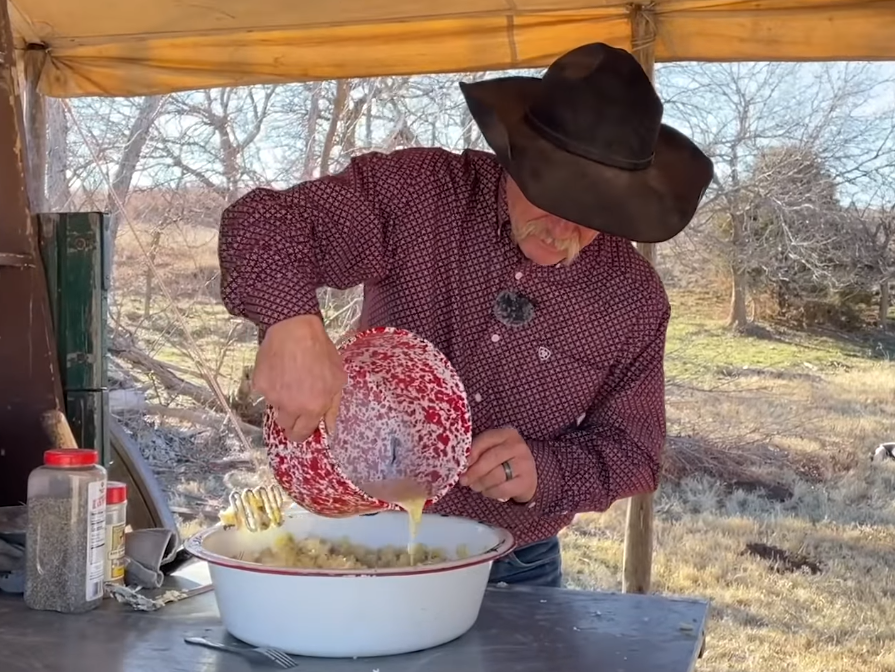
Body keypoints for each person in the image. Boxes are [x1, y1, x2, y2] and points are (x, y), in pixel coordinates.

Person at [217, 42, 714, 588]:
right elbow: (263, 223)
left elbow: (634, 452)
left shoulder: (632, 297)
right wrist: (291, 323)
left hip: (514, 566)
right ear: (517, 156)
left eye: (591, 214)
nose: (561, 230)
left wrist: (542, 472)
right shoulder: (422, 195)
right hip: (366, 540)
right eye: (551, 196)